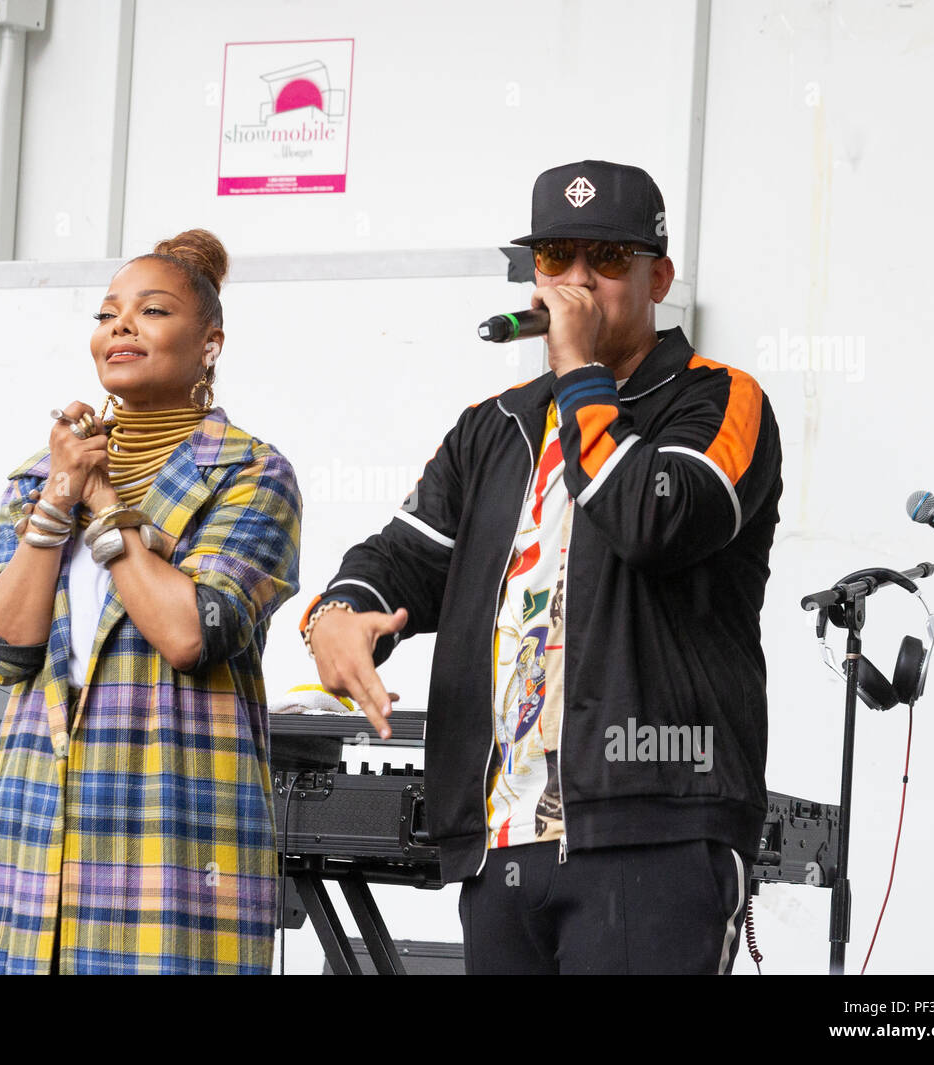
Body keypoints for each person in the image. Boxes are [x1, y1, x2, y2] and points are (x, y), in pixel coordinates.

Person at [302, 161, 783, 975]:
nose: (578, 282)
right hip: (502, 842)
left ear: (658, 276)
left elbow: (652, 518)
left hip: (655, 823)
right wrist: (342, 611)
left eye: (607, 259)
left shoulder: (720, 400)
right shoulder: (492, 428)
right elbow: (404, 557)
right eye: (557, 257)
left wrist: (578, 374)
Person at [0, 229, 302, 975]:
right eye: (107, 315)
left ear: (210, 343)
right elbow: (1, 649)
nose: (121, 327)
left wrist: (104, 503)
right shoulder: (39, 475)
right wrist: (57, 503)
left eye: (152, 311)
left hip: (171, 818)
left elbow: (191, 630)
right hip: (32, 815)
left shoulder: (252, 473)